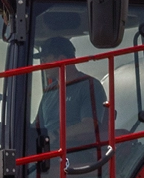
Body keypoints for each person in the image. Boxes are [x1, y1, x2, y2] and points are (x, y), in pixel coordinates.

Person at [34, 35, 107, 170]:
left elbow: (89, 126)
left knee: (29, 172)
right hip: (49, 150)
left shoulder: (89, 85)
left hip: (75, 152)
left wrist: (56, 135)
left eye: (45, 60)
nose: (43, 65)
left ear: (62, 60)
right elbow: (37, 126)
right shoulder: (49, 91)